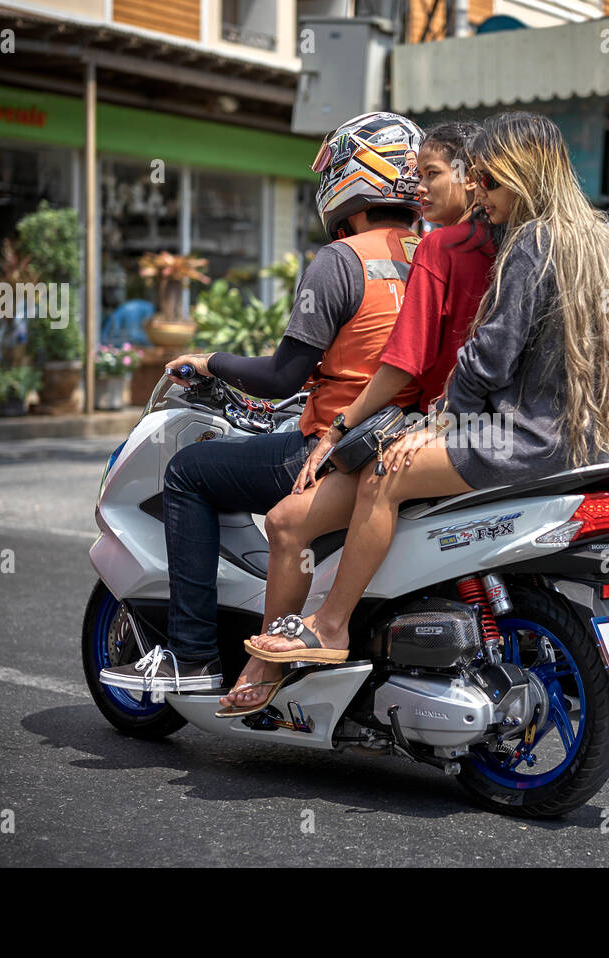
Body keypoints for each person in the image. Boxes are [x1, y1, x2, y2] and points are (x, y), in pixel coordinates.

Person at [243, 111, 609, 670]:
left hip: (523, 439)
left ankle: (331, 624)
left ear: (524, 174)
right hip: (587, 440)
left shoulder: (530, 242)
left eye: (488, 180)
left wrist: (440, 422)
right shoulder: (600, 240)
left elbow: (489, 355)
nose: (480, 194)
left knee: (386, 474)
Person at [100, 111, 426, 694]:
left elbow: (280, 376)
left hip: (336, 442)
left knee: (188, 474)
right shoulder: (434, 255)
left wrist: (211, 361)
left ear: (353, 176)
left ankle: (193, 656)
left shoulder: (341, 260)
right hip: (411, 437)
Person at [217, 122, 496, 714]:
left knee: (285, 517)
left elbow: (404, 363)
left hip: (439, 427)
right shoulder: (508, 245)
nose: (419, 189)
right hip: (482, 423)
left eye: (431, 175)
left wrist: (342, 430)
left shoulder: (438, 250)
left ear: (472, 179)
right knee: (302, 514)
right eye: (415, 175)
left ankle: (300, 644)